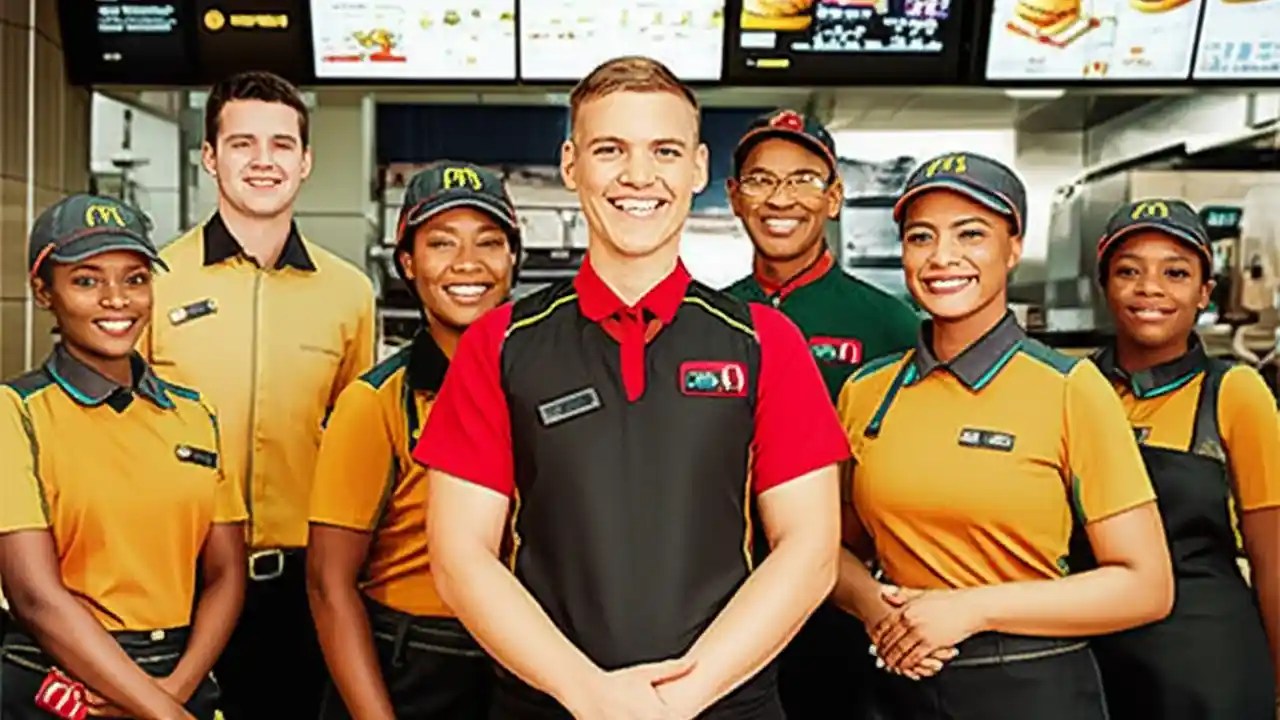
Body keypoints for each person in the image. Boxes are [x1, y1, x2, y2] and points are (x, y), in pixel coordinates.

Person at [414, 55, 850, 719]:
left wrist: (677, 701)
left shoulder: (765, 342)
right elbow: (459, 556)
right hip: (549, 706)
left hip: (724, 705)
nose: (638, 175)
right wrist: (590, 695)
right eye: (610, 149)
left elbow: (809, 550)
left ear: (698, 168)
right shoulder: (498, 344)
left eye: (664, 150)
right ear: (571, 164)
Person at [831, 152, 1176, 720]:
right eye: (921, 237)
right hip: (897, 685)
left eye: (971, 234)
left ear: (1013, 249)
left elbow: (1146, 586)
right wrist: (874, 605)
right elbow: (831, 548)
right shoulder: (867, 391)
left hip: (1031, 687)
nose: (942, 257)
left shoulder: (1070, 388)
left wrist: (971, 610)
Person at [137, 71, 377, 719]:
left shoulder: (349, 293)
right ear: (209, 157)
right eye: (242, 144)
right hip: (175, 581)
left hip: (302, 589)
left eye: (281, 144)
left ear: (306, 161)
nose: (263, 160)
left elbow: (355, 445)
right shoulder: (154, 282)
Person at [0, 194, 246, 720]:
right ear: (43, 292)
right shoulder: (14, 413)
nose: (116, 299)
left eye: (135, 279)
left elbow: (226, 573)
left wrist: (174, 691)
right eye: (86, 281)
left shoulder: (194, 413)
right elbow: (34, 597)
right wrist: (164, 711)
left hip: (178, 672)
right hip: (62, 681)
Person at [306, 161, 520, 719]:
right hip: (412, 663)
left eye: (489, 242)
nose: (467, 263)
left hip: (525, 658)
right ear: (408, 262)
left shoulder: (546, 384)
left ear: (513, 259)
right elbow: (329, 584)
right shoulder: (375, 402)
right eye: (441, 243)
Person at [725, 108, 919, 720]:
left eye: (804, 180)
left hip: (843, 603)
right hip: (724, 602)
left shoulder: (891, 325)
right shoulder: (707, 319)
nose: (781, 198)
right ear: (733, 197)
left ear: (834, 198)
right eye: (760, 180)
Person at [1079, 198, 1279, 720]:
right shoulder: (1073, 389)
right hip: (1092, 664)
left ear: (1204, 292)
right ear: (1105, 285)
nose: (1150, 288)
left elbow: (1274, 558)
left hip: (1208, 668)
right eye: (1129, 271)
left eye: (1176, 273)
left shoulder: (1233, 392)